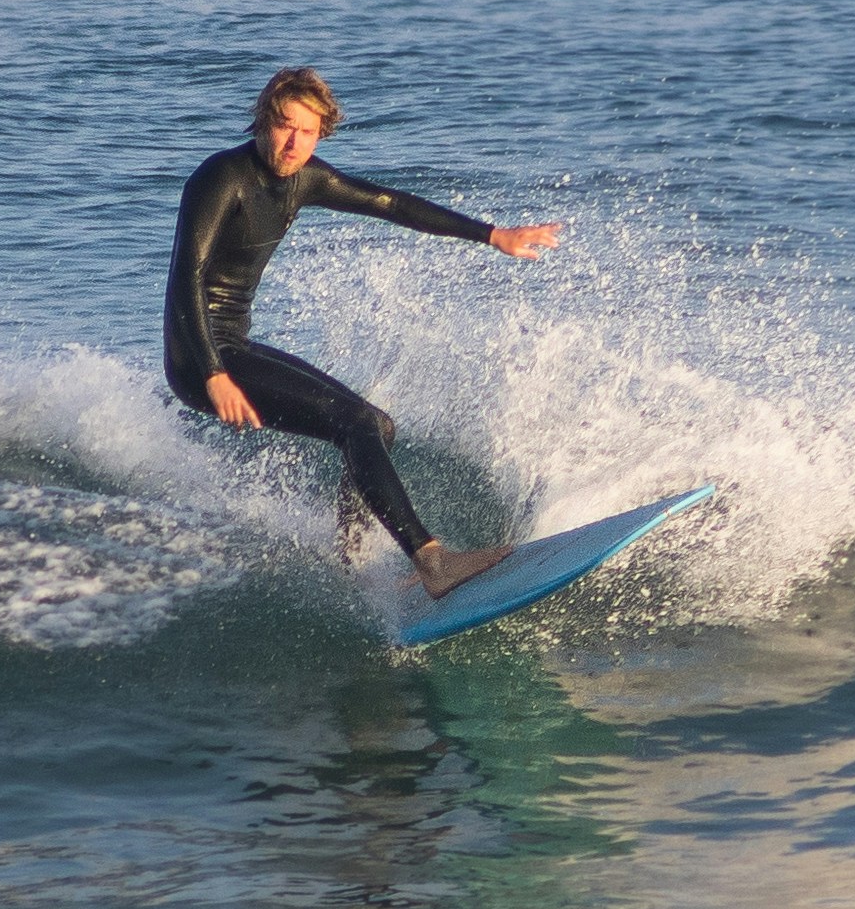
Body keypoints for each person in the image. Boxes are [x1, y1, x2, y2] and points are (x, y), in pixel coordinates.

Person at [165, 66, 563, 599]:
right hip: (199, 358)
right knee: (354, 423)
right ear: (262, 122)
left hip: (233, 346)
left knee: (376, 425)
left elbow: (392, 204)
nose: (293, 142)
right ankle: (433, 560)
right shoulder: (221, 179)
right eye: (284, 125)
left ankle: (349, 565)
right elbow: (185, 275)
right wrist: (213, 375)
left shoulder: (306, 178)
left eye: (307, 131)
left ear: (320, 133)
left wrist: (493, 235)